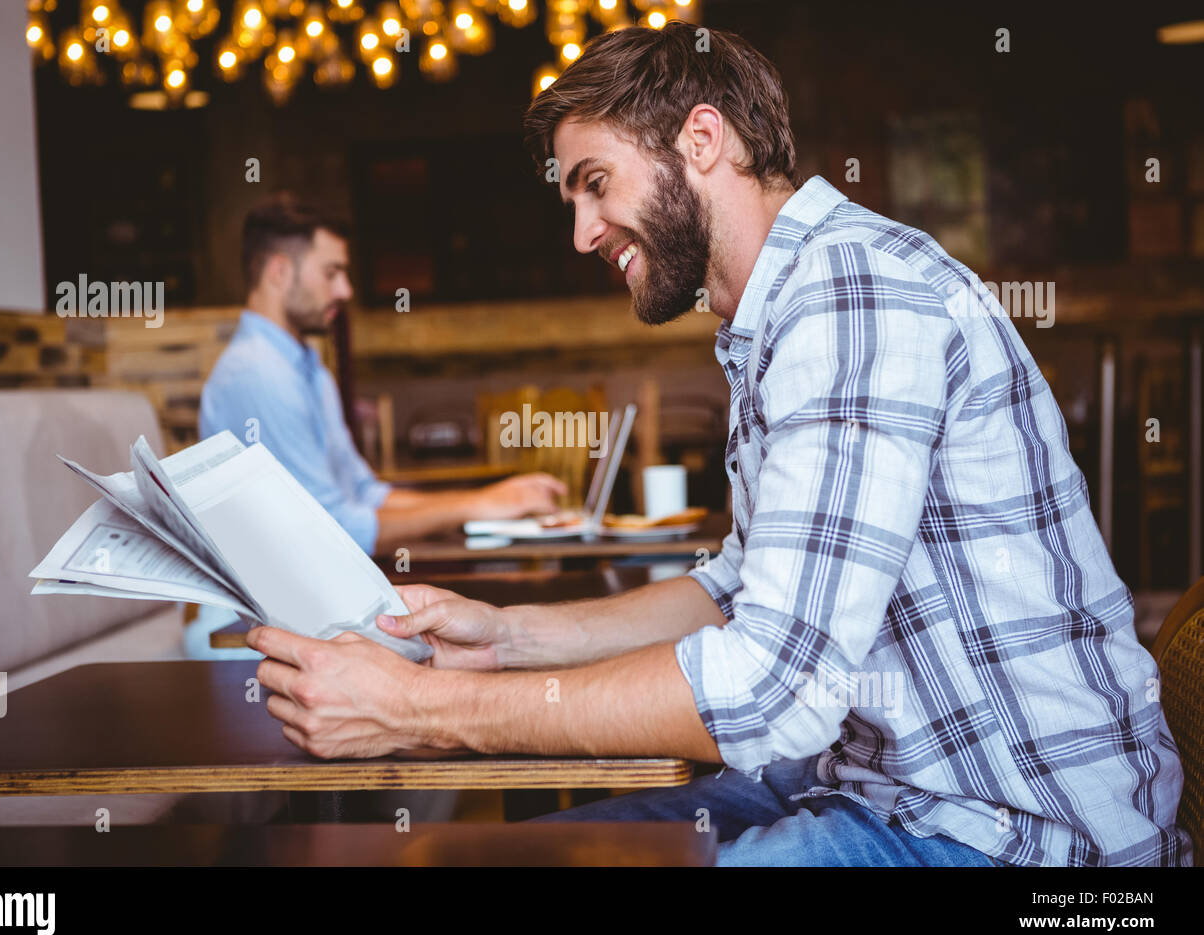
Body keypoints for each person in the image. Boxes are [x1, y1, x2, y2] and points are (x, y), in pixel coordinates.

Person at [244, 24, 1190, 866]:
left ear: (702, 139)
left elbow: (773, 688)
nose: (579, 233)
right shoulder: (785, 309)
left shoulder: (850, 295)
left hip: (1018, 833)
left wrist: (420, 713)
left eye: (595, 184)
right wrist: (508, 640)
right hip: (875, 785)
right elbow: (737, 590)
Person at [198, 194, 566, 556]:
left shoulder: (305, 365)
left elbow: (363, 493)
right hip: (268, 614)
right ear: (279, 272)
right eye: (332, 273)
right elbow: (329, 531)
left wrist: (490, 500)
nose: (346, 290)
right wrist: (477, 506)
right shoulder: (259, 375)